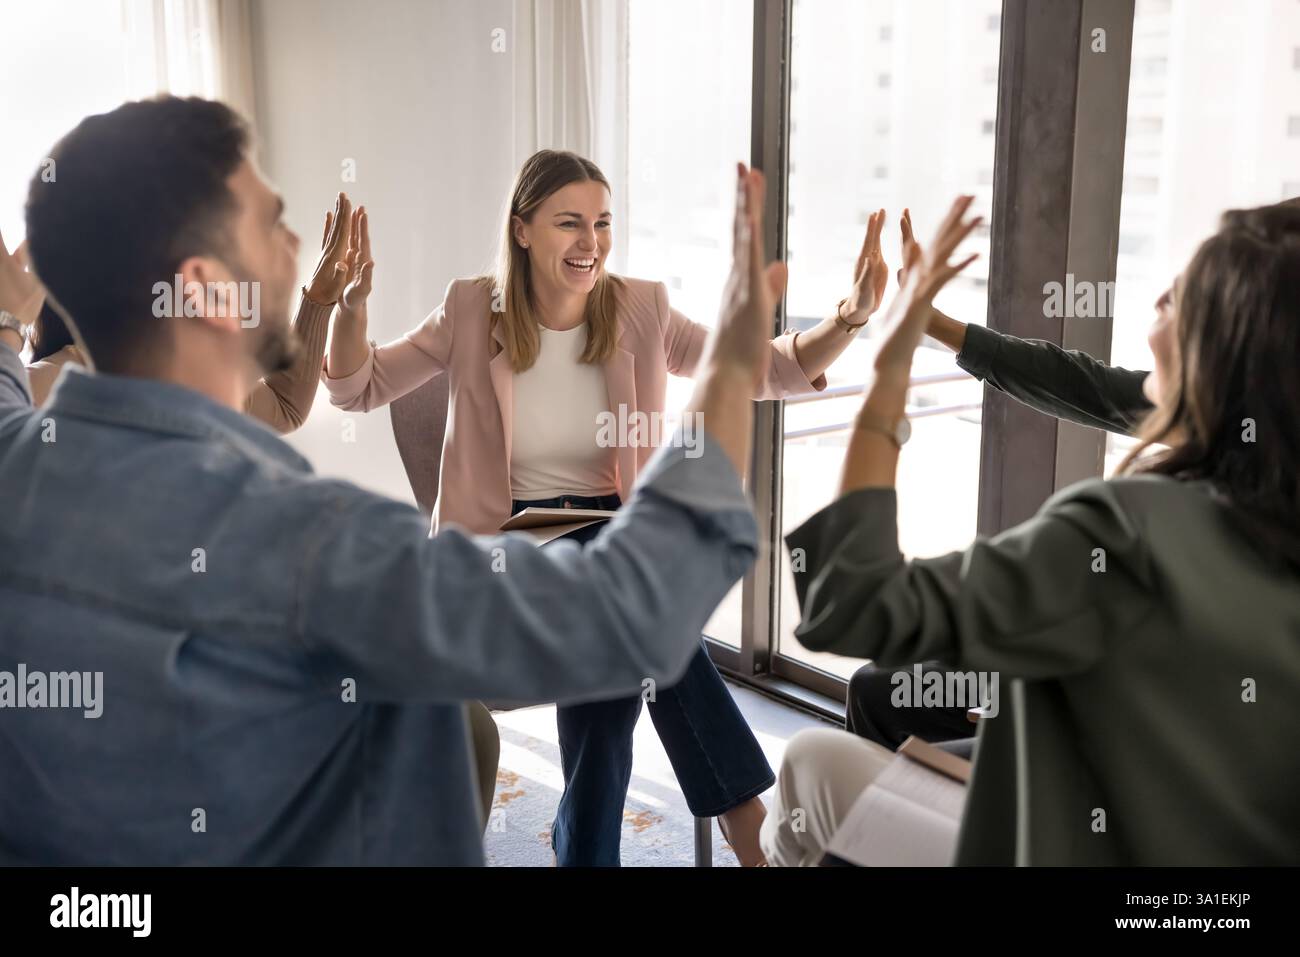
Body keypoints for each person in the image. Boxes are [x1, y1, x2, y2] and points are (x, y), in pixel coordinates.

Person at [0, 94, 778, 866]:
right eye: (271, 224)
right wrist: (736, 353)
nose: (296, 241)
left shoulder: (16, 456)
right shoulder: (319, 545)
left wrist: (7, 319)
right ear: (203, 286)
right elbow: (631, 613)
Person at [319, 149, 890, 865]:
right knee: (637, 605)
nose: (591, 242)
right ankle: (748, 828)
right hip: (505, 554)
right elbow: (356, 387)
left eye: (601, 223)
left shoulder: (639, 308)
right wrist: (348, 307)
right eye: (569, 223)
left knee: (618, 628)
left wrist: (849, 316)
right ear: (522, 229)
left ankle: (588, 852)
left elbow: (760, 369)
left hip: (609, 545)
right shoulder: (472, 309)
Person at [761, 196, 1300, 866]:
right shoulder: (1262, 468)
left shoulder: (1124, 530)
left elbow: (846, 604)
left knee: (811, 765)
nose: (1159, 297)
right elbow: (1080, 383)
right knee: (885, 689)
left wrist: (891, 366)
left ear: (1227, 351)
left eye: (1183, 295)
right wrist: (937, 324)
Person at [844, 208, 1153, 755]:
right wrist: (927, 319)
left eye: (1196, 301)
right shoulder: (1212, 406)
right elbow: (1081, 383)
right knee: (877, 690)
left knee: (830, 760)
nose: (1163, 308)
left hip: (1128, 721)